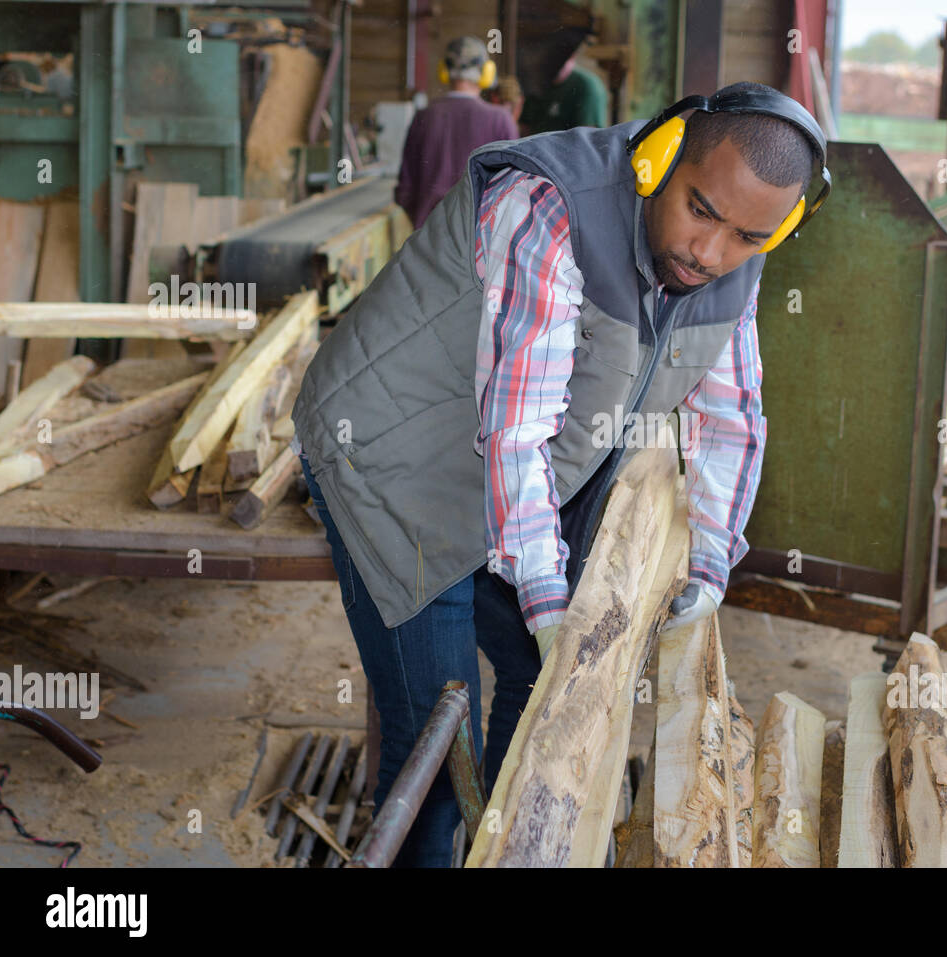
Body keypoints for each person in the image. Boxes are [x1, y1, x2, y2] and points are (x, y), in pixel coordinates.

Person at [291, 81, 830, 867]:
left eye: (748, 236)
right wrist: (546, 595)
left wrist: (709, 561)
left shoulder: (736, 264)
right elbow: (519, 428)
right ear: (659, 157)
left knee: (540, 679)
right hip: (389, 459)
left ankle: (513, 845)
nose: (709, 253)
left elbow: (731, 418)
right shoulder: (549, 208)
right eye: (701, 210)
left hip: (504, 479)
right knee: (439, 742)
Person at [395, 35, 517, 229]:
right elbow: (514, 191)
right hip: (482, 243)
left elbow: (404, 190)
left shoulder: (424, 116)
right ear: (486, 72)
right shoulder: (500, 119)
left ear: (444, 71)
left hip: (430, 237)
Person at [519, 52, 609, 134]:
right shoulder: (538, 82)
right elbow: (525, 127)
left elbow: (587, 135)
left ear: (571, 57)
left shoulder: (587, 85)